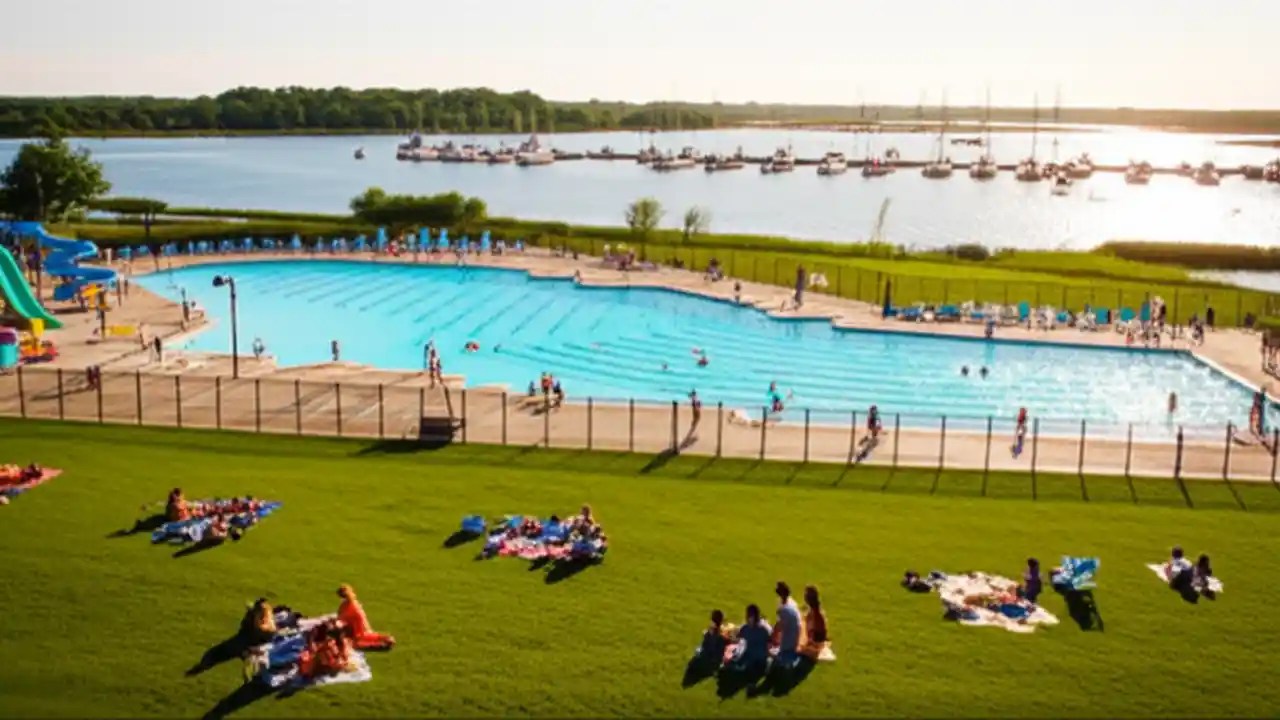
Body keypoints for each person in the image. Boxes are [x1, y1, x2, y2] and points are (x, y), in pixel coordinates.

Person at [336, 584, 396, 650]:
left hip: (358, 633)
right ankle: (384, 639)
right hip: (358, 630)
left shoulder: (350, 606)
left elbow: (342, 618)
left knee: (352, 644)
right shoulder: (351, 604)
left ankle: (382, 642)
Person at [731, 604, 772, 677]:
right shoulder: (766, 628)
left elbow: (736, 637)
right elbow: (770, 643)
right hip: (762, 659)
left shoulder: (746, 628)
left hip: (752, 657)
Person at [771, 581, 802, 665]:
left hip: (789, 640)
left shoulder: (784, 609)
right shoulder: (791, 602)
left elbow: (778, 627)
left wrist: (771, 638)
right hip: (796, 633)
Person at [798, 585, 829, 660]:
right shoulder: (815, 610)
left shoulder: (816, 614)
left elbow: (812, 632)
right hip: (815, 640)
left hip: (815, 644)